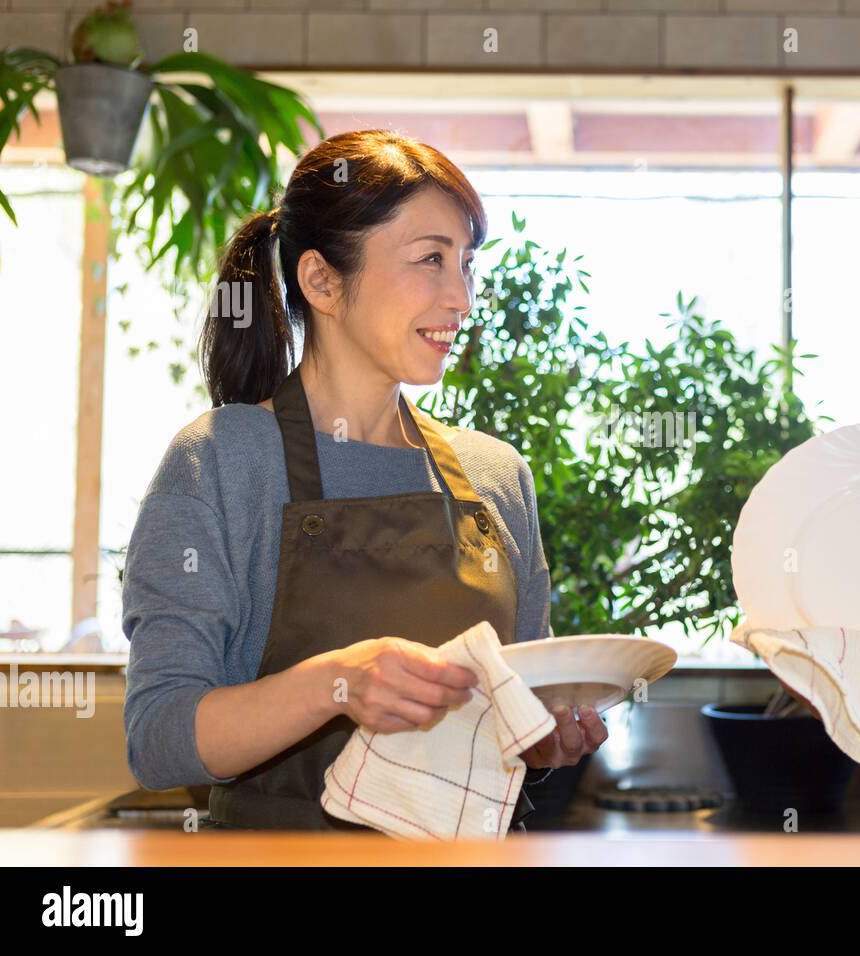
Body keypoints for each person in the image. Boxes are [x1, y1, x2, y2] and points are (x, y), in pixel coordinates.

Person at [121, 129, 605, 831]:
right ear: (320, 280)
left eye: (467, 264)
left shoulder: (496, 475)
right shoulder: (221, 460)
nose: (461, 297)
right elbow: (158, 739)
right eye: (430, 260)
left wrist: (548, 741)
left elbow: (518, 714)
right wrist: (336, 682)